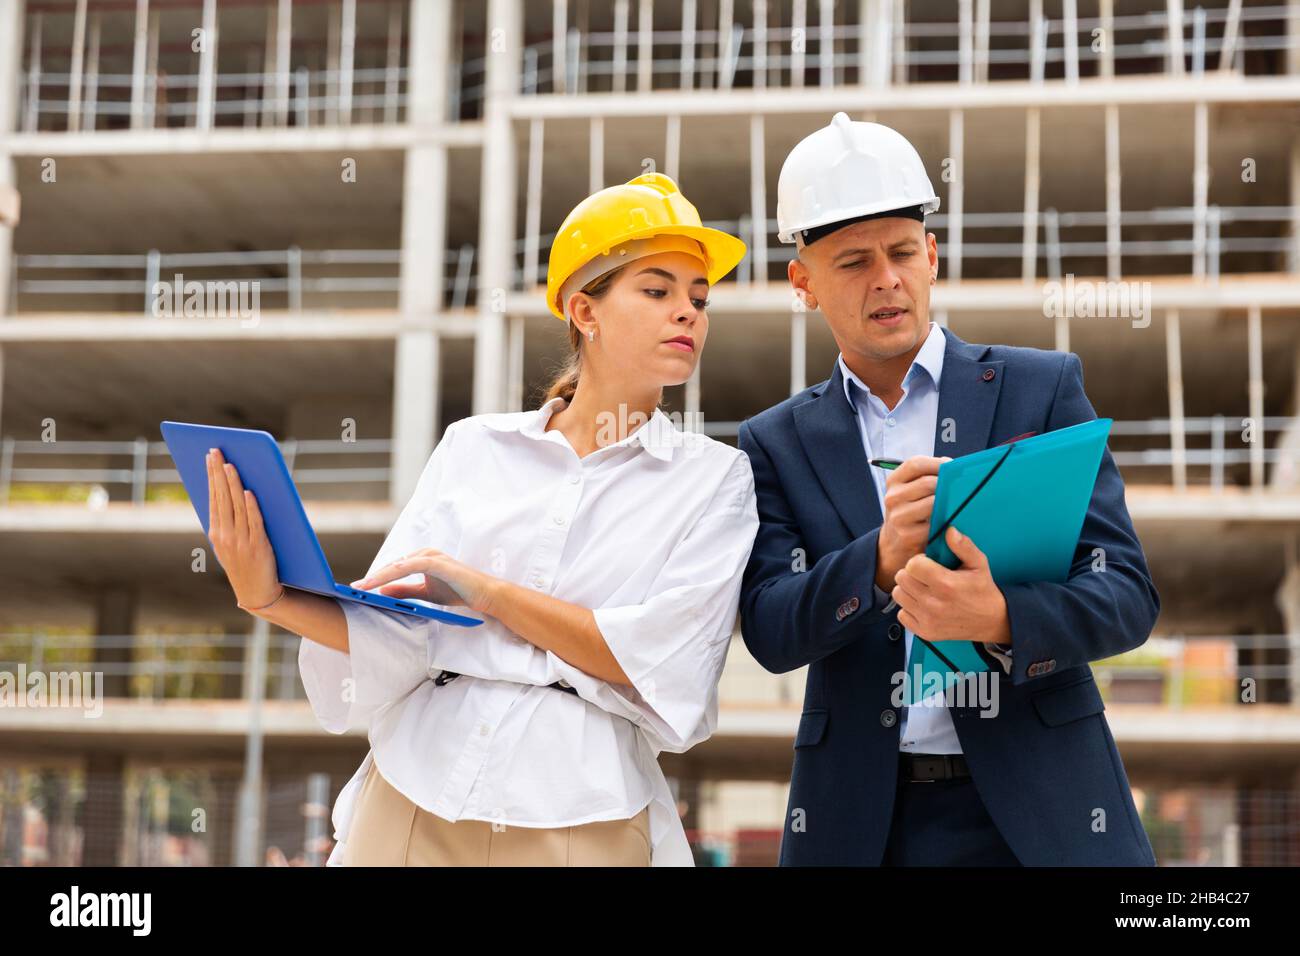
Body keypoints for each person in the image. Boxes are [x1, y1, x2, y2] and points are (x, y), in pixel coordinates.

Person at [205, 171, 757, 865]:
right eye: (658, 290)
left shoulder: (713, 480)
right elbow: (395, 633)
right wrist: (270, 597)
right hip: (413, 792)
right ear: (584, 312)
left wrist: (485, 593)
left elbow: (654, 660)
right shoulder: (474, 446)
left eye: (699, 299)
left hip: (584, 812)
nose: (688, 313)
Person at [737, 113, 1160, 866]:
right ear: (802, 282)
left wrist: (1002, 616)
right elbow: (770, 630)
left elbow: (1126, 594)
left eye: (902, 252)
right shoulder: (776, 440)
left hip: (1045, 813)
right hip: (864, 823)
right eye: (853, 263)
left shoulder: (1041, 389)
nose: (887, 280)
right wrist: (876, 561)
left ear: (932, 255)